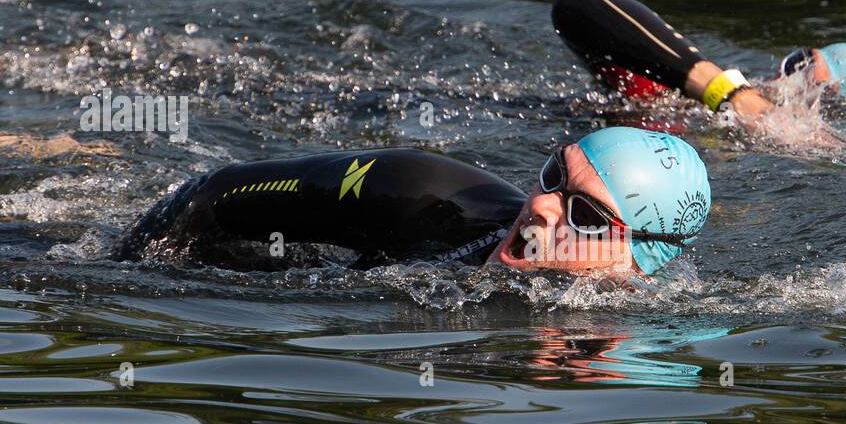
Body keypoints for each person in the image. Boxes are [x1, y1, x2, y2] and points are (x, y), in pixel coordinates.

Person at [115, 126, 712, 277]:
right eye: (554, 174)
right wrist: (116, 276)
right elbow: (218, 191)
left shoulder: (667, 327)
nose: (543, 207)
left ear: (641, 251)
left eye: (583, 212)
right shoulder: (420, 193)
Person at [550, 0, 846, 122]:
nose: (779, 76)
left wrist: (729, 94)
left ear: (821, 96)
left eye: (799, 67)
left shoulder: (715, 119)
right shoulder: (673, 92)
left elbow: (577, 0)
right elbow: (579, 8)